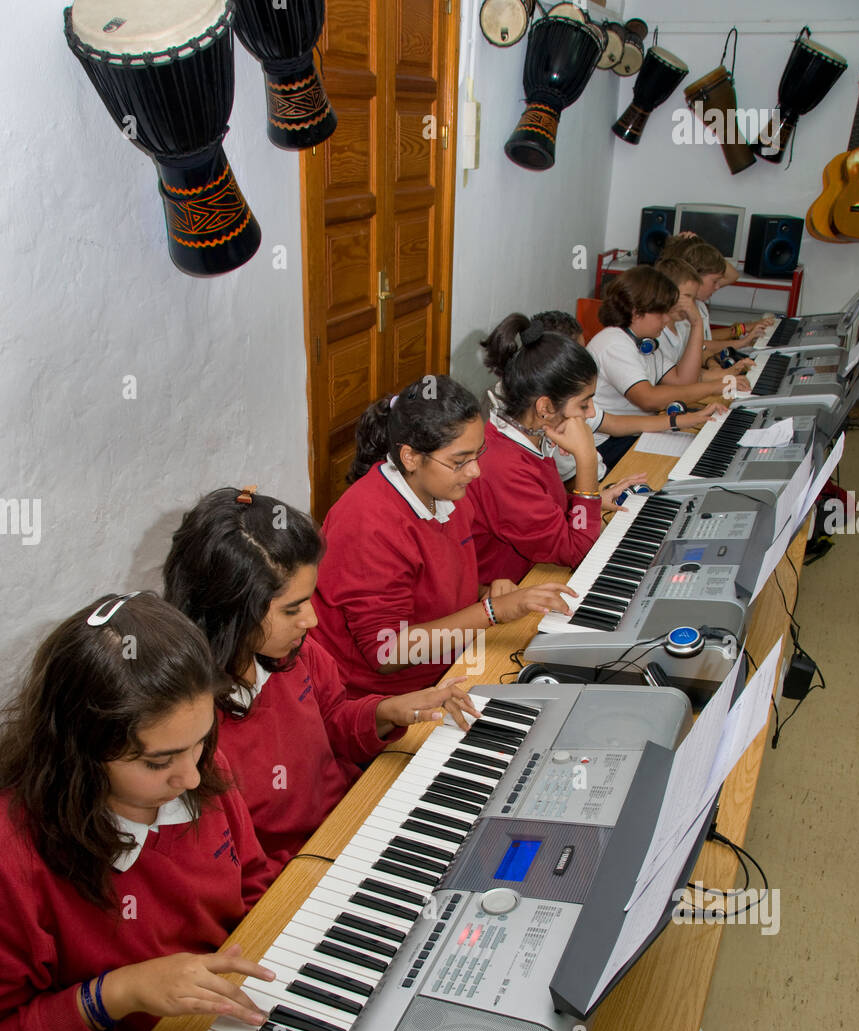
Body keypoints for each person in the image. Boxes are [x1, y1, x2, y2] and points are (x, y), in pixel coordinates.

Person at [0, 593, 276, 1031]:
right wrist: (120, 992)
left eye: (202, 742)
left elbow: (253, 884)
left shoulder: (197, 767)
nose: (193, 774)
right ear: (79, 751)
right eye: (158, 763)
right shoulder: (15, 860)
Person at [163, 487, 479, 879]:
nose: (311, 620)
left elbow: (333, 721)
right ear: (231, 607)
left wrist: (388, 710)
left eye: (309, 599)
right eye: (292, 608)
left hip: (348, 822)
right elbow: (236, 867)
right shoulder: (189, 725)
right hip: (299, 871)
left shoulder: (296, 652)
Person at [313, 375, 576, 698]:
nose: (475, 471)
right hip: (384, 696)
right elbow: (386, 652)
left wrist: (486, 593)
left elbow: (432, 588)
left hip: (449, 663)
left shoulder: (445, 492)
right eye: (459, 461)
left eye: (478, 454)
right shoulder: (368, 523)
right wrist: (492, 612)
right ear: (410, 457)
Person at [470, 315, 645, 584]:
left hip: (534, 571)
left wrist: (588, 503)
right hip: (516, 587)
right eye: (584, 403)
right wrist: (586, 459)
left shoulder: (526, 433)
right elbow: (577, 550)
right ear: (545, 407)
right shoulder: (503, 464)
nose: (591, 413)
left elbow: (542, 512)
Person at [481, 310, 723, 487]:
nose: (591, 411)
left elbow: (614, 423)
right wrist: (586, 457)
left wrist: (679, 421)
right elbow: (571, 538)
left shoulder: (557, 404)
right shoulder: (525, 429)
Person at [589, 266, 751, 468]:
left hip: (634, 430)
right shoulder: (613, 342)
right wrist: (716, 386)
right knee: (682, 462)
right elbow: (648, 399)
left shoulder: (645, 342)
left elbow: (684, 381)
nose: (666, 320)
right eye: (660, 314)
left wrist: (697, 325)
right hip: (605, 443)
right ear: (636, 312)